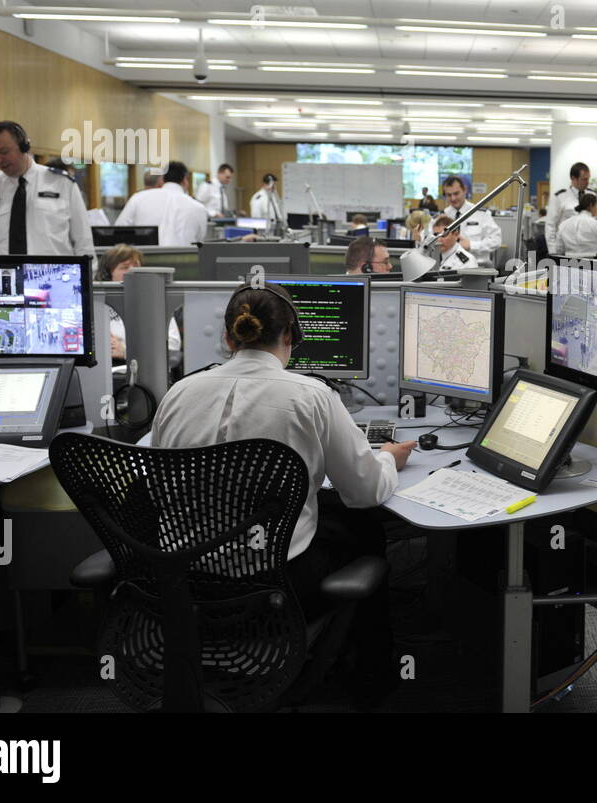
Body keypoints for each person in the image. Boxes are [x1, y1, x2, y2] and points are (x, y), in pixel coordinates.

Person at [152, 284, 417, 694]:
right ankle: (372, 678)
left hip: (185, 578)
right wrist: (387, 459)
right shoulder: (312, 395)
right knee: (364, 529)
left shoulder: (178, 393)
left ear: (227, 338)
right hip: (277, 581)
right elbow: (364, 492)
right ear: (290, 336)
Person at [0, 121, 93, 257]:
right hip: (2, 275)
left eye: (4, 152)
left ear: (24, 146)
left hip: (53, 275)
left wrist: (89, 275)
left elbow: (83, 240)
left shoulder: (62, 184)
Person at [96, 244, 181, 366]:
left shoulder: (155, 302)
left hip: (148, 370)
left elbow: (173, 345)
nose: (132, 271)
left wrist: (126, 351)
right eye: (124, 267)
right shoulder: (98, 305)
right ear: (109, 275)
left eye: (136, 266)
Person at [114, 161, 208, 247]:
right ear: (184, 180)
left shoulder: (138, 198)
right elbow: (199, 240)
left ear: (162, 179)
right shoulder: (198, 208)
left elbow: (118, 231)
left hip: (143, 261)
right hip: (187, 261)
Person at [440, 175, 501, 264]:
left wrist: (472, 245)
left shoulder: (481, 214)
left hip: (478, 268)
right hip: (449, 269)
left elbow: (496, 240)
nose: (453, 198)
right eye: (449, 195)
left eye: (456, 193)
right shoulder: (442, 216)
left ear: (465, 190)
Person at [544, 162, 591, 253]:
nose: (587, 182)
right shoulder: (560, 197)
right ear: (573, 178)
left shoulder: (592, 195)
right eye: (584, 179)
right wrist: (553, 251)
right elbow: (550, 225)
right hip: (565, 248)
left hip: (588, 248)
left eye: (588, 179)